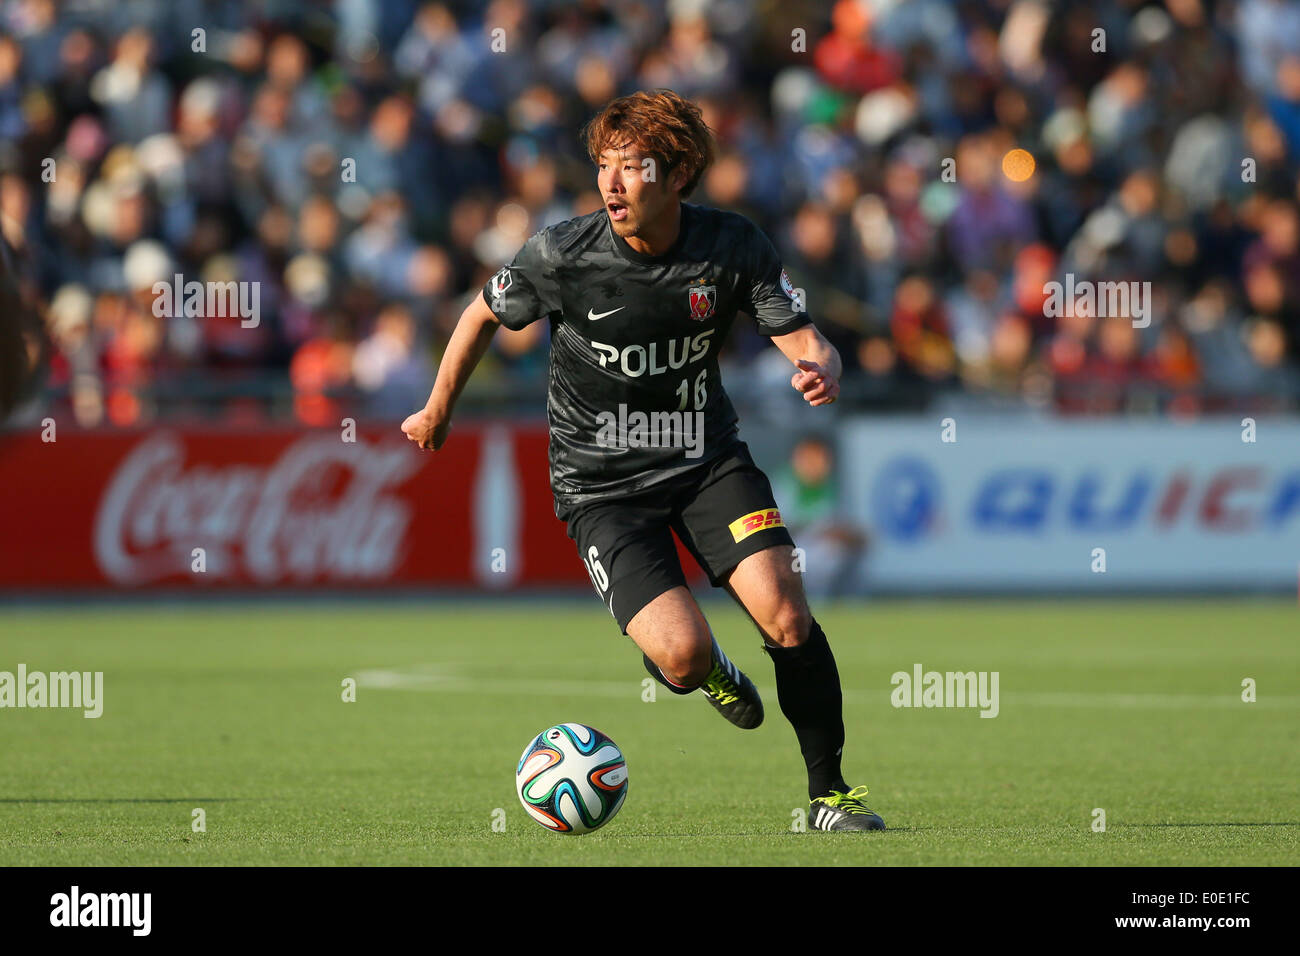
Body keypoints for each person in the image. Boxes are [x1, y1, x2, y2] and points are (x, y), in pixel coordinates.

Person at [402, 89, 884, 831]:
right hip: (602, 488)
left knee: (788, 614)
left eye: (634, 166)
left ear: (680, 173)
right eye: (604, 165)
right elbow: (479, 314)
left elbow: (802, 335)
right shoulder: (562, 254)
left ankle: (831, 796)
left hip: (705, 463)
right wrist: (438, 409)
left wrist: (823, 363)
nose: (613, 183)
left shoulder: (732, 246)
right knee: (684, 659)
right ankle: (714, 671)